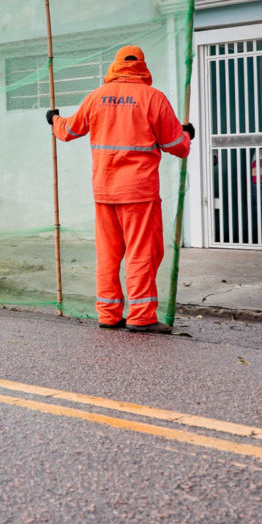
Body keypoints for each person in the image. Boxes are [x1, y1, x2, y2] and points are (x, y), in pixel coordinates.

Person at [46, 46, 194, 332]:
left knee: (108, 255)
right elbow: (176, 146)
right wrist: (186, 133)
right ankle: (141, 317)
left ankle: (108, 314)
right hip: (139, 193)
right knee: (142, 253)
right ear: (142, 67)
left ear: (115, 66)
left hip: (104, 191)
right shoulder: (153, 98)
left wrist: (54, 120)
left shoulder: (96, 96)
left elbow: (68, 132)